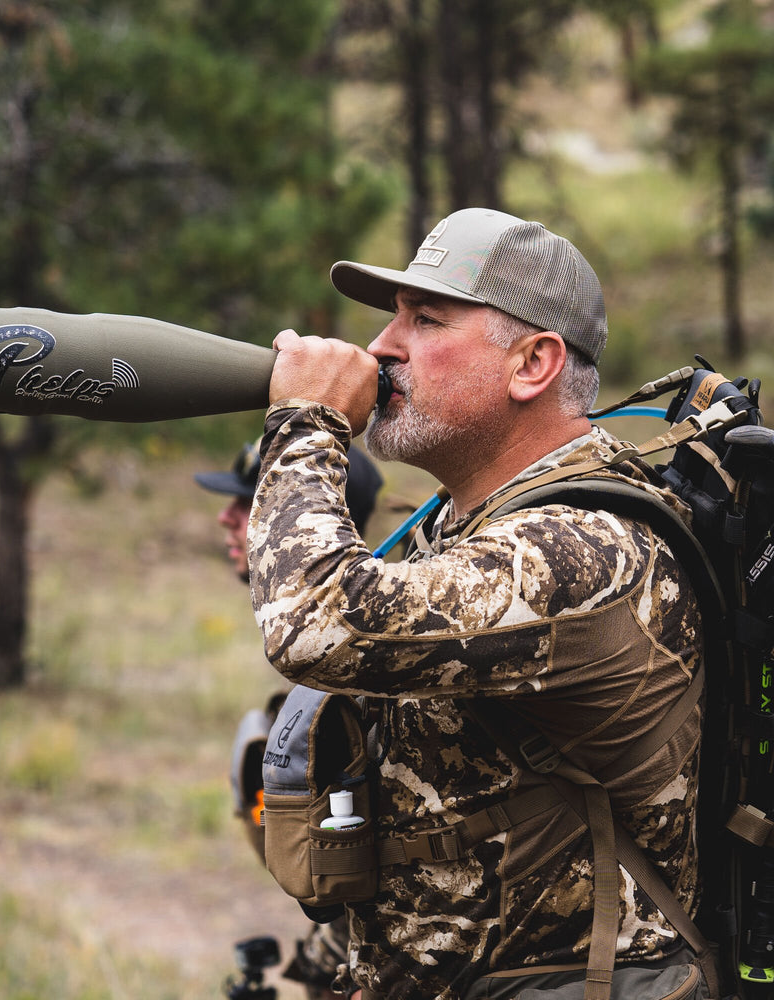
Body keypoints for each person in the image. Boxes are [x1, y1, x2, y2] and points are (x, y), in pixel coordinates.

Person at [247, 208, 704, 999]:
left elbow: (317, 619)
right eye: (392, 318)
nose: (383, 347)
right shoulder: (474, 527)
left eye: (425, 320)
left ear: (533, 363)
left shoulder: (585, 548)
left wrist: (308, 421)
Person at [195, 437, 383, 998]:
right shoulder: (322, 640)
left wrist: (327, 969)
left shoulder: (374, 650)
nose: (227, 517)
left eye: (251, 503)